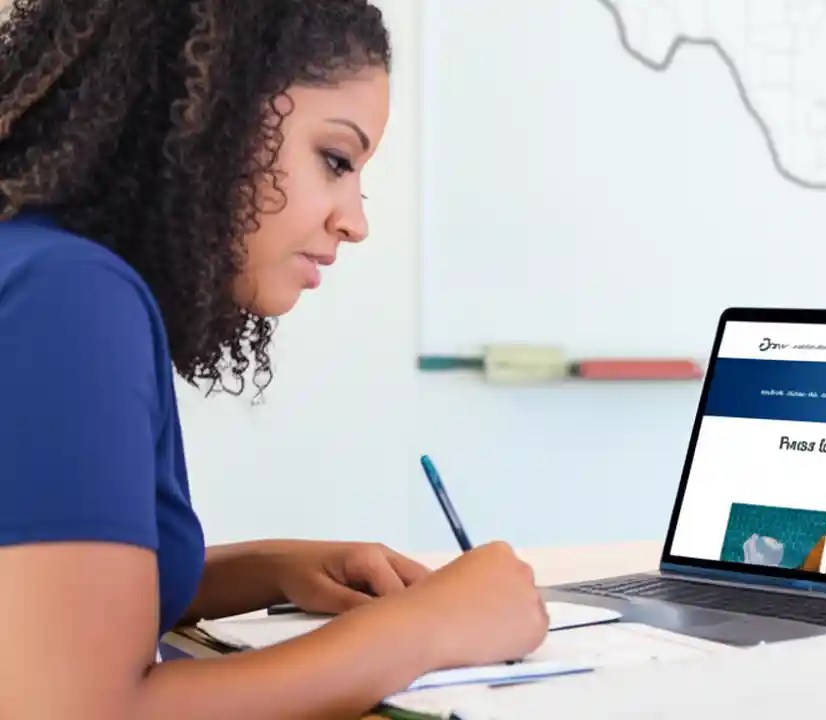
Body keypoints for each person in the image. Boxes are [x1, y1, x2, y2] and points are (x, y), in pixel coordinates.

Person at [0, 1, 548, 717]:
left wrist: (266, 569)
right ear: (209, 112)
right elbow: (82, 710)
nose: (355, 219)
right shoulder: (69, 297)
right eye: (335, 160)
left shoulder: (39, 265)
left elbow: (44, 597)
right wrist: (433, 625)